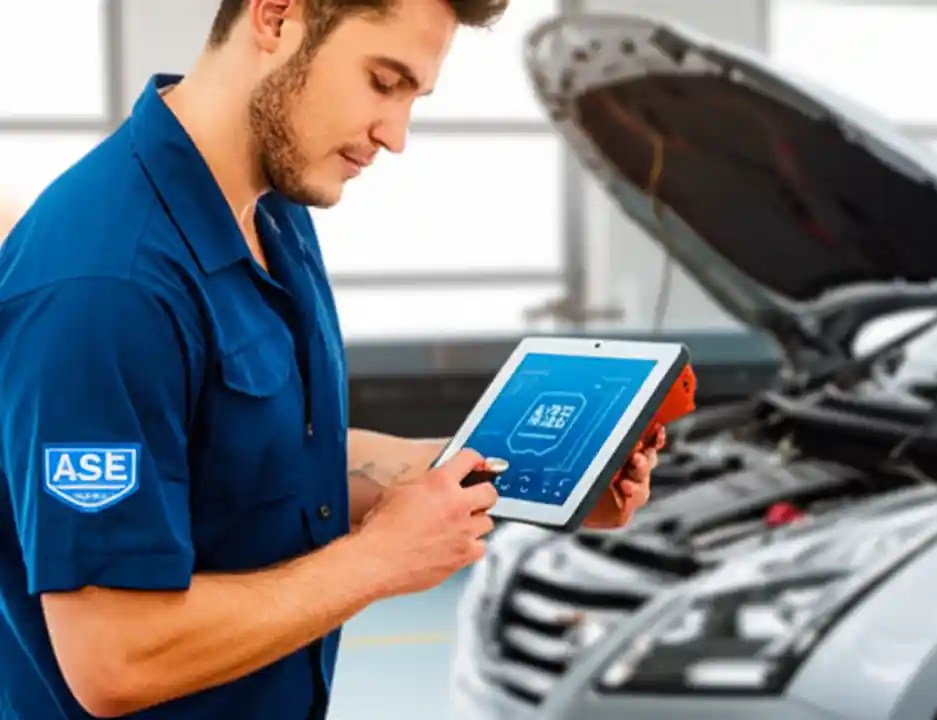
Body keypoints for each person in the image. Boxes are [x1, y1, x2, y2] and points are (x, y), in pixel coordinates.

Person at [0, 1, 664, 718]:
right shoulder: (105, 286)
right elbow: (114, 657)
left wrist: (538, 478)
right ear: (277, 16)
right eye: (384, 82)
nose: (396, 135)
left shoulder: (275, 213)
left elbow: (277, 464)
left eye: (414, 97)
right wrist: (380, 561)